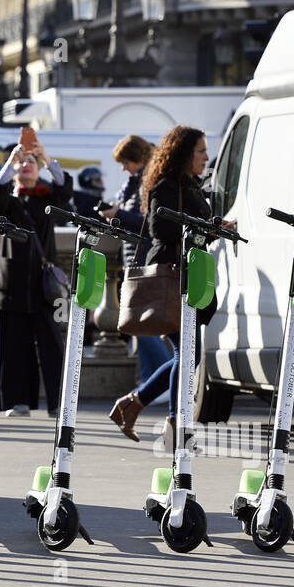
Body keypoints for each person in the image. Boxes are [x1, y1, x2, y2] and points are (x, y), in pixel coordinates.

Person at [107, 125, 218, 444]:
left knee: (187, 353)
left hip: (191, 277)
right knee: (188, 352)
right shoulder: (166, 184)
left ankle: (134, 405)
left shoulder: (191, 184)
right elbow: (159, 227)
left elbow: (194, 223)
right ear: (184, 153)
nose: (206, 157)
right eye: (201, 151)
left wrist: (212, 227)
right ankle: (173, 424)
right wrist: (196, 227)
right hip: (171, 278)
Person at [0, 138, 73, 416]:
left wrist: (46, 158)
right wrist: (10, 164)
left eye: (30, 162)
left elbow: (64, 188)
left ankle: (58, 403)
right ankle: (18, 401)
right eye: (21, 162)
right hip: (11, 281)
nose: (25, 165)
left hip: (42, 284)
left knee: (52, 346)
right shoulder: (9, 202)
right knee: (13, 346)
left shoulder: (47, 198)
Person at [103, 134, 173, 440]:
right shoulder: (138, 182)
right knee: (162, 338)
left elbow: (145, 223)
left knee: (148, 330)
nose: (123, 169)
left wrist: (117, 215)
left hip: (146, 263)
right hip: (138, 262)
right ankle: (148, 400)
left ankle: (142, 397)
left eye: (125, 162)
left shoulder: (147, 180)